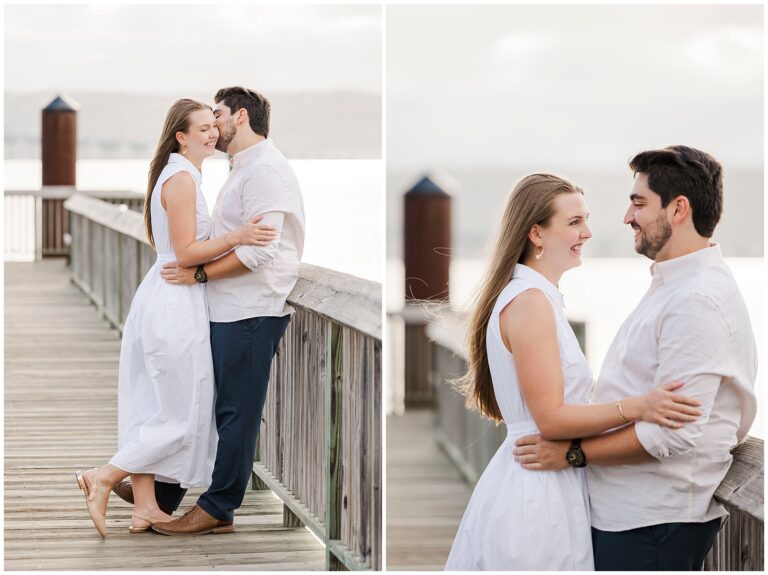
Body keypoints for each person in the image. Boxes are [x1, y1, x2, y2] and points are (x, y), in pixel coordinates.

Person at [513, 147, 757, 571]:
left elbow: (672, 434)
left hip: (651, 525)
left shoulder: (697, 299)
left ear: (678, 209)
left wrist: (572, 454)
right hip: (631, 518)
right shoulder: (674, 285)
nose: (627, 216)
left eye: (639, 203)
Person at [444, 173, 702, 570]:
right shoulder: (530, 303)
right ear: (536, 233)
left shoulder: (535, 297)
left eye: (586, 220)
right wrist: (638, 407)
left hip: (544, 478)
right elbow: (550, 418)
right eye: (574, 222)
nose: (587, 232)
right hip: (537, 490)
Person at [75, 98, 276, 537]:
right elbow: (185, 253)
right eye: (201, 128)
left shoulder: (178, 174)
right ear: (180, 137)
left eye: (212, 125)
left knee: (154, 406)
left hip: (164, 296)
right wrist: (240, 235)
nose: (212, 133)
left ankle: (146, 507)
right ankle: (103, 477)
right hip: (175, 303)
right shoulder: (182, 179)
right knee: (182, 414)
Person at [151, 87, 305, 535]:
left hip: (252, 309)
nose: (214, 125)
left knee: (237, 412)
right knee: (210, 406)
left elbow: (260, 253)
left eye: (217, 115)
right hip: (228, 307)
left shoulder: (266, 171)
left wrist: (199, 274)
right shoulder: (244, 167)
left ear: (240, 116)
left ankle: (219, 507)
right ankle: (165, 493)